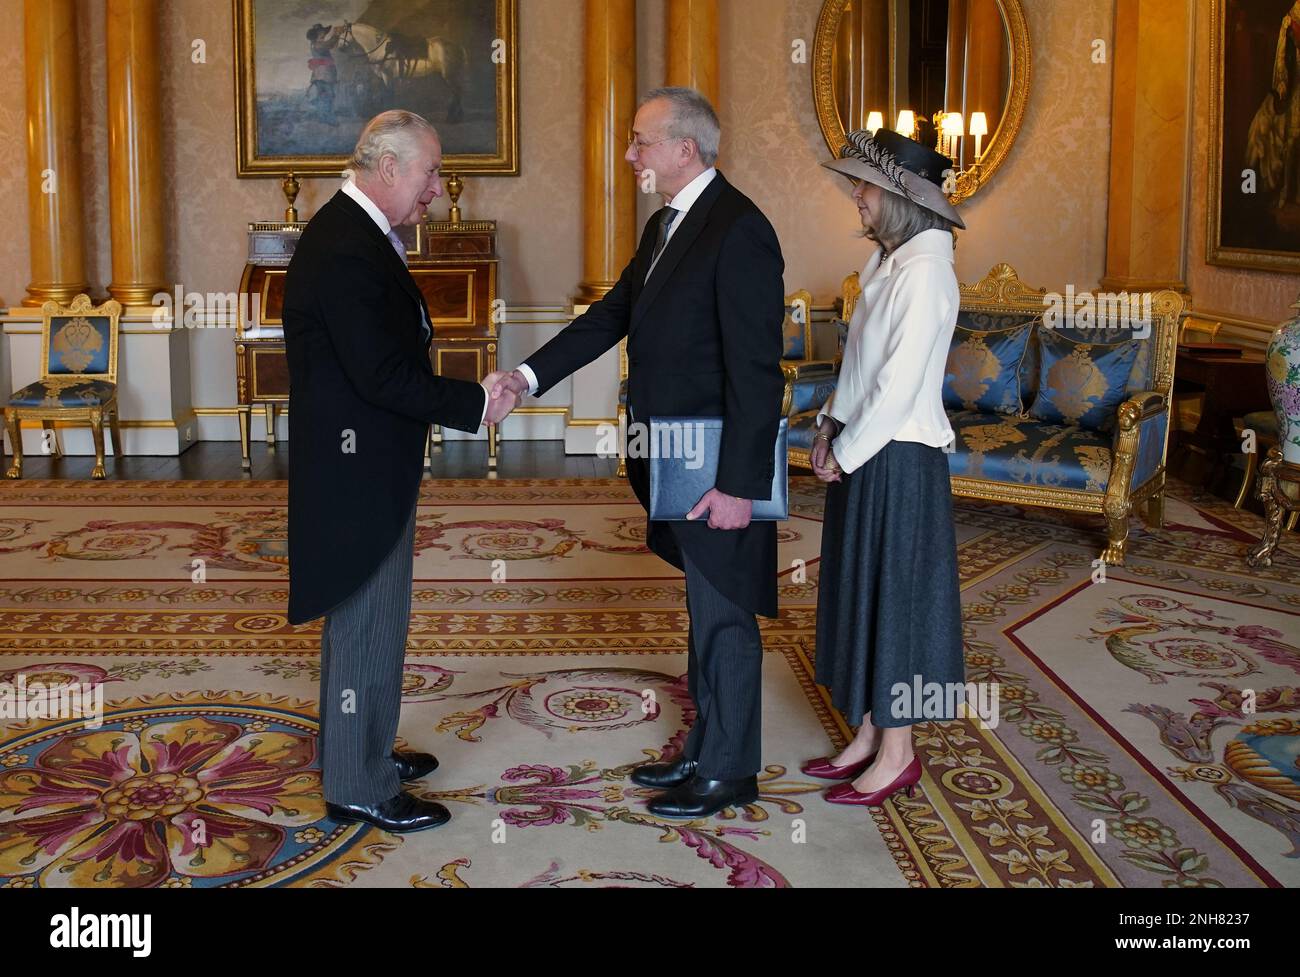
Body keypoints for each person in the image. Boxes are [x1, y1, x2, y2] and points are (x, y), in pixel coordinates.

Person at [492, 87, 786, 819]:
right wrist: (526, 378)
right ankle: (705, 745)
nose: (629, 156)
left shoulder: (740, 229)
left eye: (639, 141)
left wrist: (740, 485)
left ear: (684, 149)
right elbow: (611, 316)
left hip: (716, 464)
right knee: (702, 606)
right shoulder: (665, 226)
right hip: (672, 454)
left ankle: (729, 771)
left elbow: (756, 370)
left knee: (725, 612)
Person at [283, 110, 517, 833]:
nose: (438, 190)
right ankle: (356, 782)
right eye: (431, 173)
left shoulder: (357, 235)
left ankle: (366, 747)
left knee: (377, 620)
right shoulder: (346, 249)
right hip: (355, 471)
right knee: (366, 621)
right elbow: (384, 374)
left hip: (365, 461)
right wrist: (475, 401)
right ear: (389, 168)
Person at [801, 127, 966, 807]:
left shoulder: (927, 272)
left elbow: (898, 388)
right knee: (864, 591)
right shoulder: (893, 264)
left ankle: (898, 751)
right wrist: (830, 422)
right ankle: (870, 732)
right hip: (873, 449)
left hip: (901, 459)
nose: (855, 197)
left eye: (863, 185)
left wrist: (846, 448)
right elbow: (862, 368)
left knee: (894, 603)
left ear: (899, 196)